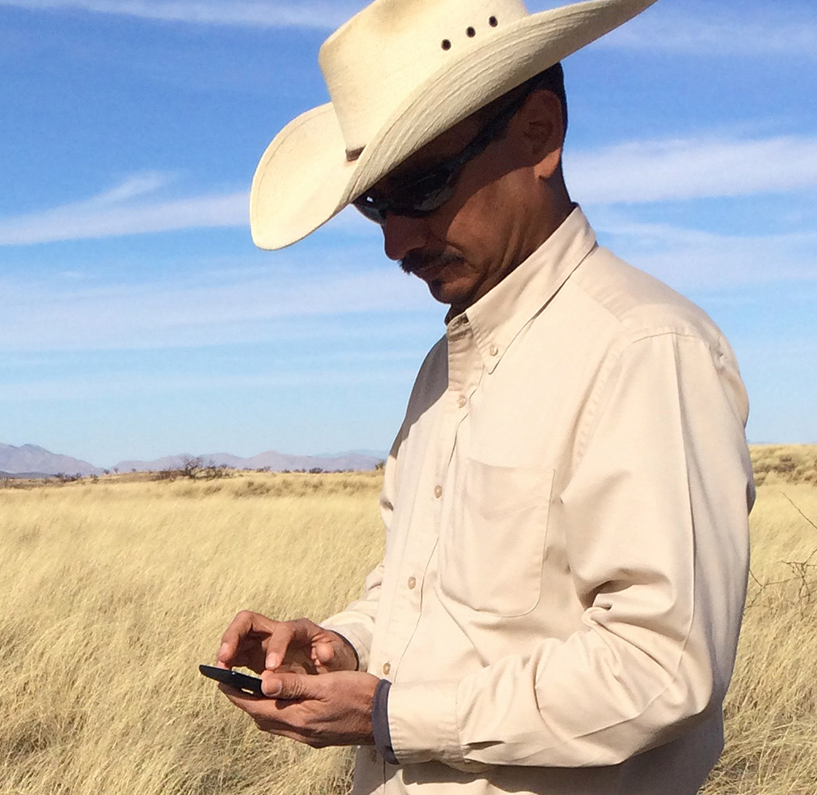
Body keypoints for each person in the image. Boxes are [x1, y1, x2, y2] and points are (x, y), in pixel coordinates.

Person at [211, 1, 754, 793]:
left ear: (538, 133)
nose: (396, 240)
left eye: (421, 185)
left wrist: (389, 716)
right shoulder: (442, 369)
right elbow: (428, 596)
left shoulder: (644, 348)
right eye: (374, 203)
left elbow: (661, 665)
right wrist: (344, 648)